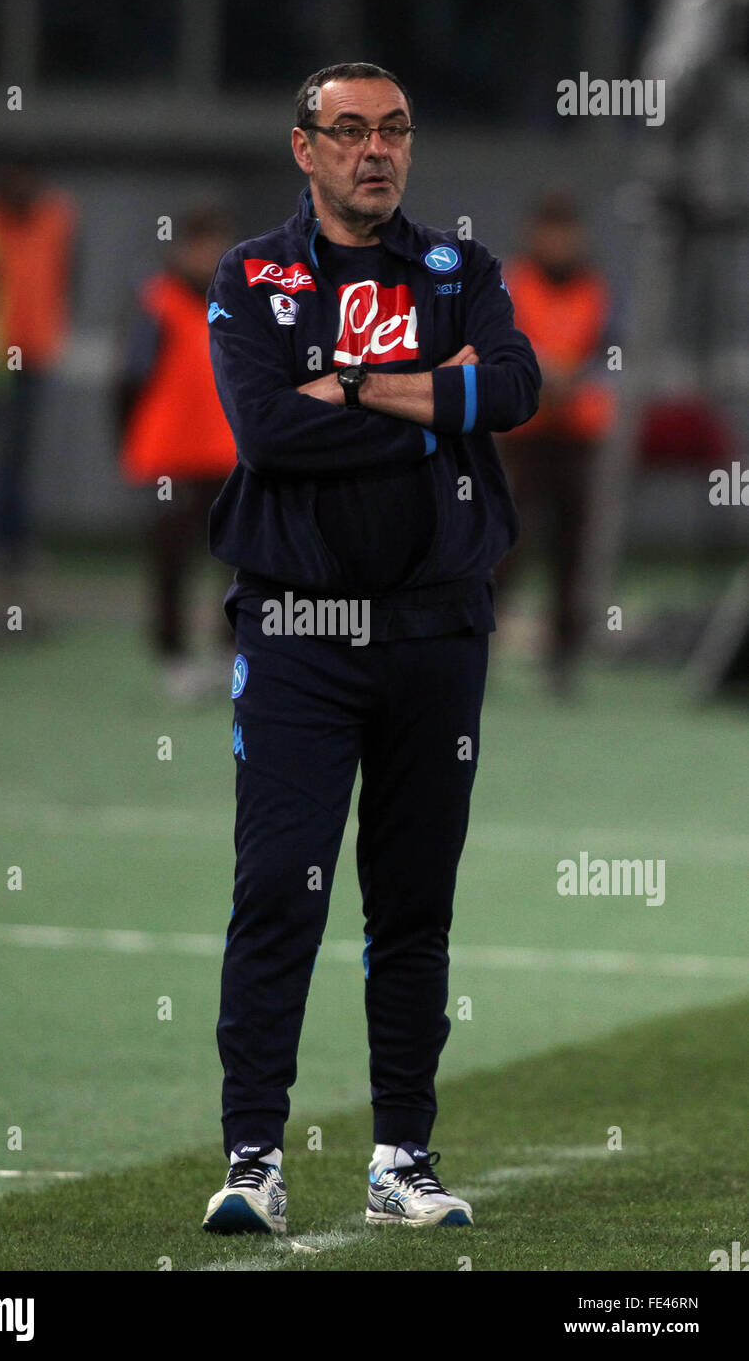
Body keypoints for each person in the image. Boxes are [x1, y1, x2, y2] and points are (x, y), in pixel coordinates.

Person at [201, 62, 540, 1235]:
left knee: (411, 905)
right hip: (297, 632)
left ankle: (401, 1156)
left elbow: (511, 389)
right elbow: (270, 433)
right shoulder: (253, 276)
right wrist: (421, 404)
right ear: (303, 148)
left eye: (391, 131)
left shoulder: (459, 269)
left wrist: (347, 385)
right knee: (274, 891)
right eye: (347, 132)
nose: (373, 152)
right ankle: (253, 1158)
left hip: (435, 631)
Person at [116, 207, 237, 700]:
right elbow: (129, 380)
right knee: (171, 560)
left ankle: (231, 654)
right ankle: (175, 658)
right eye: (201, 245)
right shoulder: (157, 303)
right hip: (170, 456)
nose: (209, 257)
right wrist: (128, 444)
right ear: (181, 247)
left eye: (217, 245)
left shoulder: (235, 303)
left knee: (239, 561)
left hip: (227, 454)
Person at [498, 193, 616, 692]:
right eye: (549, 230)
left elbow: (611, 351)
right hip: (522, 435)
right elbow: (496, 342)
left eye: (566, 231)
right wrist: (538, 372)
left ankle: (564, 658)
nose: (558, 241)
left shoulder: (596, 289)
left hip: (576, 437)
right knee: (504, 543)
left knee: (572, 549)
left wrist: (575, 377)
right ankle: (477, 646)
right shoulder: (511, 284)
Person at [0, 163, 78, 571]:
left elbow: (68, 274)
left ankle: (12, 541)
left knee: (22, 454)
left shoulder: (56, 216)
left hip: (37, 350)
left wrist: (56, 328)